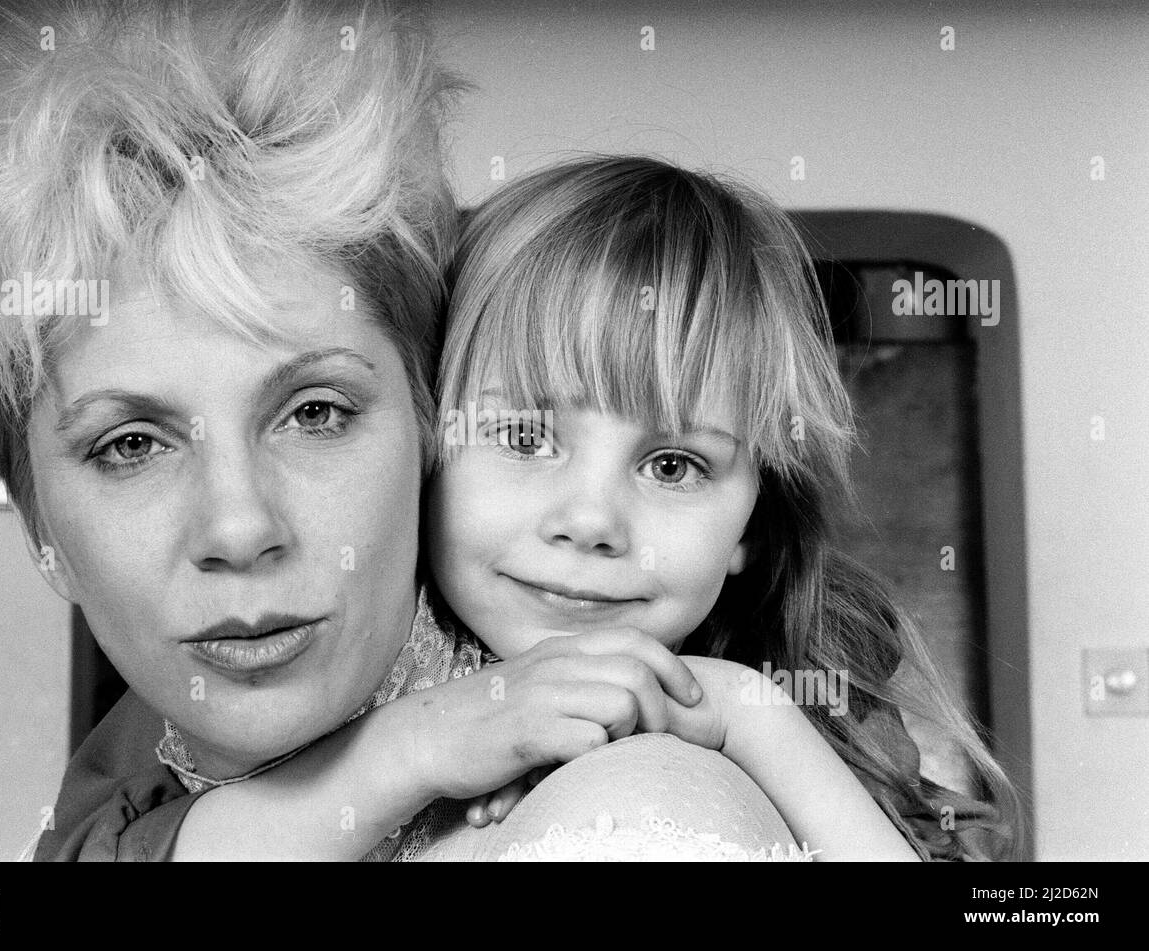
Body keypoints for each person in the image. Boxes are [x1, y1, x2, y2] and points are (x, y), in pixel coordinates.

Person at [0, 0, 772, 863]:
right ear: (42, 532)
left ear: (429, 429)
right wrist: (413, 746)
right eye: (130, 443)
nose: (239, 527)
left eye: (315, 413)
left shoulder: (646, 778)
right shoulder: (121, 790)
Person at [170, 157, 1020, 861]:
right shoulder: (341, 652)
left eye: (674, 463)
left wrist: (742, 713)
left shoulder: (786, 701)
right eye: (526, 435)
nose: (592, 520)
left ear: (750, 531)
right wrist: (422, 743)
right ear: (428, 445)